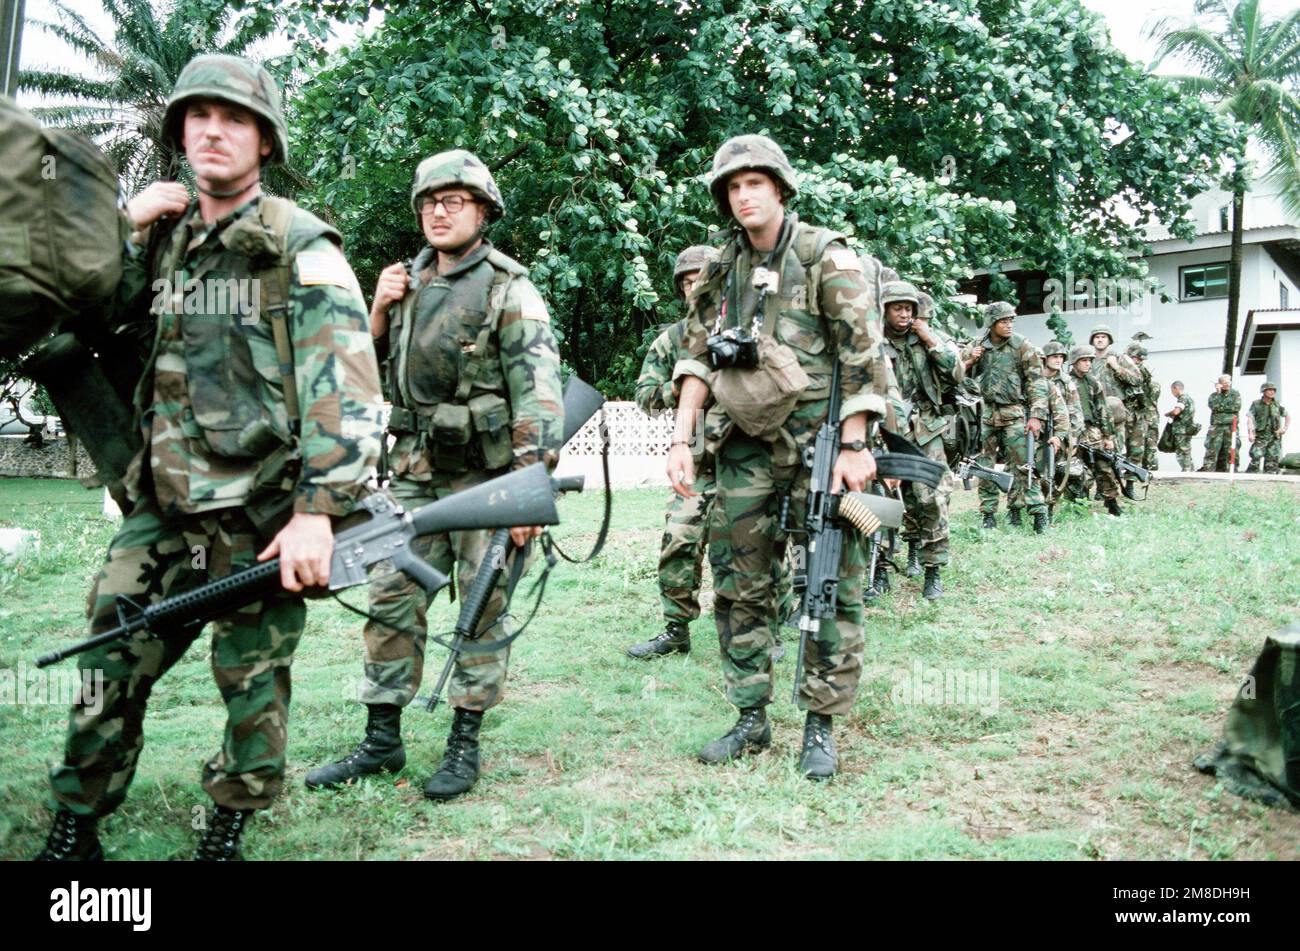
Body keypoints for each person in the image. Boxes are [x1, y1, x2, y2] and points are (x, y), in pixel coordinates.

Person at [36, 55, 384, 860]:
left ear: (264, 141)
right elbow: (92, 308)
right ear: (180, 134)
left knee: (251, 686)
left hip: (263, 515)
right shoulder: (168, 240)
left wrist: (315, 513)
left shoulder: (301, 244)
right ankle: (76, 823)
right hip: (163, 509)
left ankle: (227, 822)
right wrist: (123, 226)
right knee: (107, 662)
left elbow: (348, 389)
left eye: (233, 119)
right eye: (198, 117)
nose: (213, 131)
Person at [304, 150, 564, 802]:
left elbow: (540, 395)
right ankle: (381, 739)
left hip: (489, 479)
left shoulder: (511, 289)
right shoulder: (408, 281)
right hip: (416, 472)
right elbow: (365, 368)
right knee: (391, 597)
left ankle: (463, 740)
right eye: (428, 202)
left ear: (484, 210)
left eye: (454, 200)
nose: (438, 212)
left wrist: (531, 483)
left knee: (482, 606)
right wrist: (380, 309)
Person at [665, 134, 893, 780]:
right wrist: (681, 438)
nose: (743, 196)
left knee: (830, 580)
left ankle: (820, 723)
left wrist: (854, 445)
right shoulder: (720, 267)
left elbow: (864, 357)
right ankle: (750, 713)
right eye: (732, 187)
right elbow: (695, 357)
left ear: (781, 189)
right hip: (741, 444)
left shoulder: (826, 256)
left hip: (820, 444)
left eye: (754, 184)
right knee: (739, 584)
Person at [626, 245, 719, 658]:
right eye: (686, 280)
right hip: (697, 456)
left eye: (701, 277)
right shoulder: (673, 340)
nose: (693, 285)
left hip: (748, 456)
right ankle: (676, 629)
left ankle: (760, 633)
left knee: (757, 549)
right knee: (679, 539)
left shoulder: (749, 327)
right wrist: (678, 388)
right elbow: (644, 395)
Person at [879, 280, 962, 599]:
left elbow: (957, 374)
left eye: (909, 309)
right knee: (884, 502)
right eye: (897, 308)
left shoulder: (926, 339)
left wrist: (930, 339)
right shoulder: (871, 341)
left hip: (926, 429)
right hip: (885, 430)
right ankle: (881, 567)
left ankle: (932, 569)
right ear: (884, 309)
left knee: (931, 498)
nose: (904, 314)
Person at [960, 302, 1050, 532]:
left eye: (1011, 320)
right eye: (1003, 321)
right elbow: (958, 369)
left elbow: (1037, 382)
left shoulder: (1022, 345)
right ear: (991, 323)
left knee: (1024, 464)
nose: (1009, 325)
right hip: (987, 413)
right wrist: (971, 358)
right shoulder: (979, 346)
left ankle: (1038, 512)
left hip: (1014, 413)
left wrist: (1037, 415)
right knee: (985, 467)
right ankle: (988, 514)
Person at [1065, 346, 1122, 516]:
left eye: (1090, 360)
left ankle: (1111, 502)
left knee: (1104, 467)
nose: (1088, 363)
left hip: (1092, 431)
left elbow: (1103, 409)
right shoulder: (1065, 382)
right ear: (1074, 362)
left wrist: (1108, 436)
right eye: (1084, 360)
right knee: (1075, 470)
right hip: (1072, 432)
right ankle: (1078, 504)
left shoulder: (1093, 382)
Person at [1038, 341, 1074, 519]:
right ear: (1045, 359)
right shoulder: (1035, 378)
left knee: (1055, 472)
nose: (1058, 360)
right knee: (1033, 470)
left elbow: (1074, 411)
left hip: (1059, 431)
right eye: (1054, 356)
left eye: (1061, 357)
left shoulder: (1066, 382)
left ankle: (1049, 507)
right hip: (1037, 431)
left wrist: (1070, 438)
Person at [1245, 382, 1289, 474]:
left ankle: (1269, 480)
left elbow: (1287, 415)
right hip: (1261, 435)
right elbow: (1250, 418)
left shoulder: (1276, 404)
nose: (1272, 392)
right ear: (1263, 391)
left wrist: (1284, 428)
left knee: (1272, 461)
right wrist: (1250, 433)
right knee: (1256, 456)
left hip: (1274, 436)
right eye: (1269, 390)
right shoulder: (1256, 404)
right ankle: (1249, 478)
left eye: (1273, 390)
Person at [1200, 375, 1241, 472]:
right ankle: (1208, 471)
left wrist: (1221, 409)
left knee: (1232, 449)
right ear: (1219, 384)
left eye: (1228, 382)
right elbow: (1214, 406)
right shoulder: (1214, 396)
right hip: (1216, 427)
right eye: (1224, 382)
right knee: (1212, 449)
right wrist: (1218, 394)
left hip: (1231, 426)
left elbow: (1235, 408)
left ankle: (1232, 471)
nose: (1227, 384)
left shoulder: (1235, 394)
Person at [1165, 380, 1197, 472]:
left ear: (1176, 388)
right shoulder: (1190, 399)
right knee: (1186, 449)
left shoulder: (1182, 399)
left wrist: (1168, 414)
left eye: (1172, 390)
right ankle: (1190, 469)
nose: (1172, 393)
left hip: (1181, 429)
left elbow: (1176, 411)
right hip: (1188, 428)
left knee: (1182, 450)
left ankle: (1187, 470)